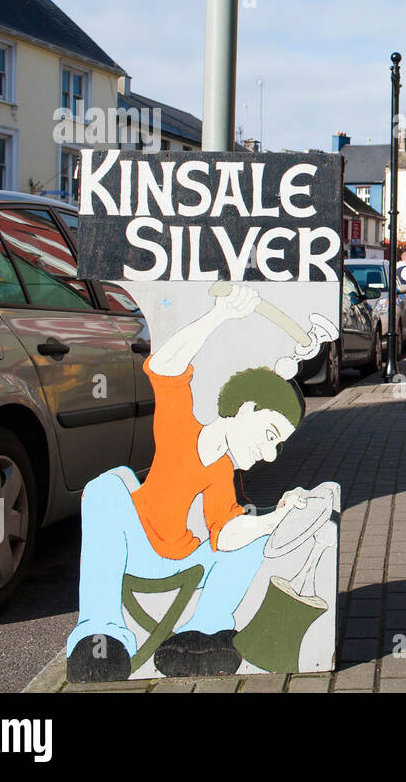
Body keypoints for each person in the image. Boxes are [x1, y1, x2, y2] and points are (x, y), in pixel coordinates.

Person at [66, 286, 306, 682]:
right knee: (109, 485)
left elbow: (225, 533)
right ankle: (102, 633)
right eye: (269, 435)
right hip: (134, 545)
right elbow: (163, 366)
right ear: (245, 410)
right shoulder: (182, 424)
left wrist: (274, 520)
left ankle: (202, 634)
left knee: (250, 536)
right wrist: (219, 315)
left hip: (183, 558)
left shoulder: (221, 476)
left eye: (277, 444)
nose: (270, 454)